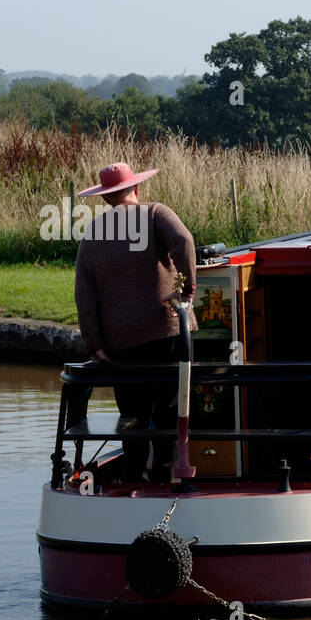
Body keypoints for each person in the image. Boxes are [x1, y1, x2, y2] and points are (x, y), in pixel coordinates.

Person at [74, 162, 198, 480]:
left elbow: (84, 296)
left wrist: (95, 344)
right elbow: (183, 242)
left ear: (105, 198)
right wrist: (185, 291)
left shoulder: (92, 235)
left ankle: (133, 478)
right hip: (167, 331)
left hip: (121, 343)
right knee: (170, 408)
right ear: (137, 189)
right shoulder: (155, 213)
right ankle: (166, 475)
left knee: (132, 414)